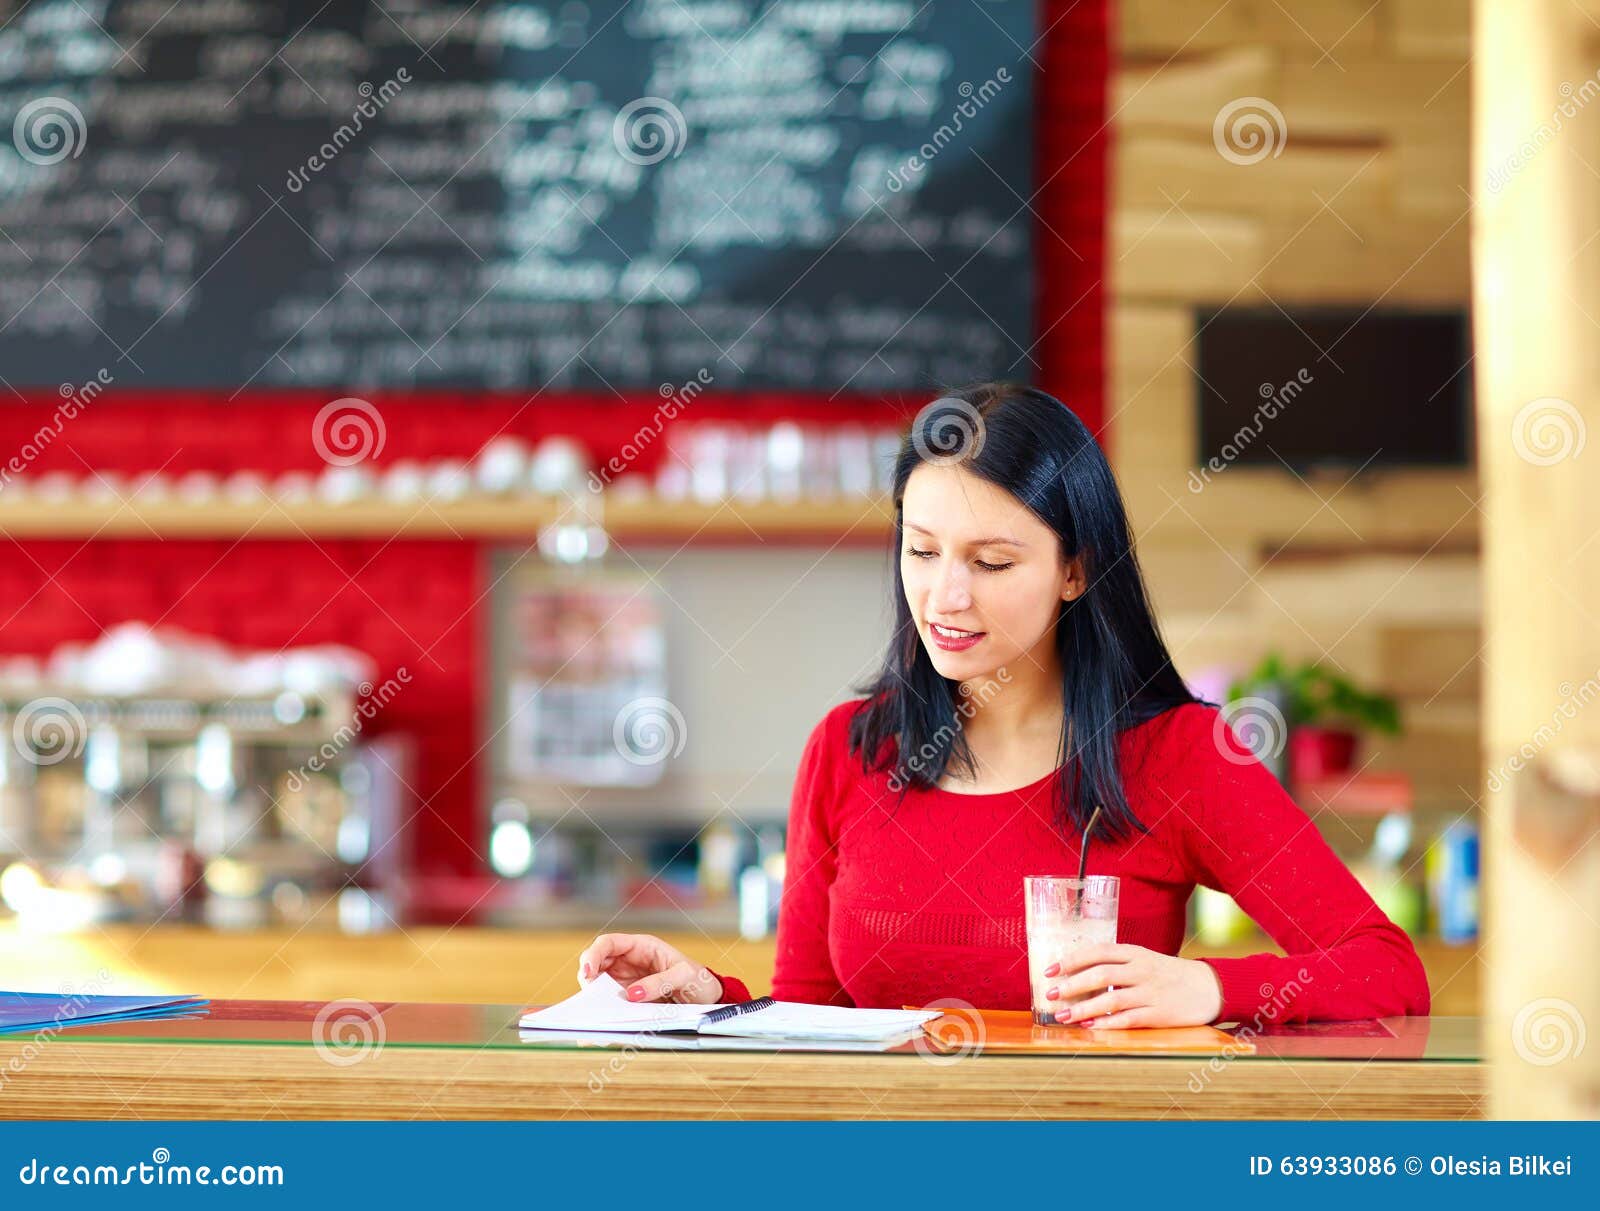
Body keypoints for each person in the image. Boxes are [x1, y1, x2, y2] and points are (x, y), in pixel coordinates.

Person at [576, 383, 1431, 1027]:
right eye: (921, 551)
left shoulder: (1181, 753)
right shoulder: (850, 750)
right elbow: (815, 1022)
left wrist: (1206, 987)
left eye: (990, 563)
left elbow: (1388, 969)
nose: (945, 596)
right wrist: (704, 1000)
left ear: (1075, 569)